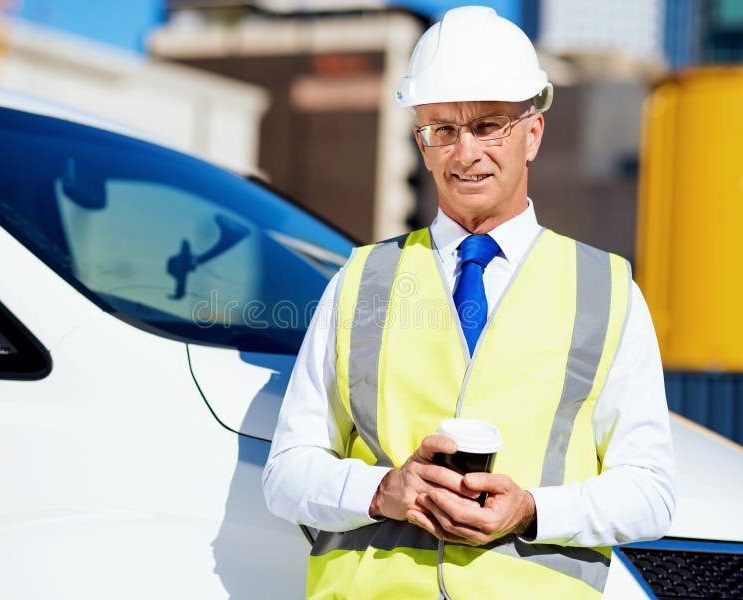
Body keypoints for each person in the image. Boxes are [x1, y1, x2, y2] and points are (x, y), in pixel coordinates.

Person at [263, 5, 675, 599]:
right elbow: (286, 473)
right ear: (421, 144)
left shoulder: (608, 292)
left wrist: (531, 510)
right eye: (443, 130)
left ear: (532, 134)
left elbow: (652, 493)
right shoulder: (358, 281)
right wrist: (383, 491)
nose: (464, 154)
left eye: (488, 127)